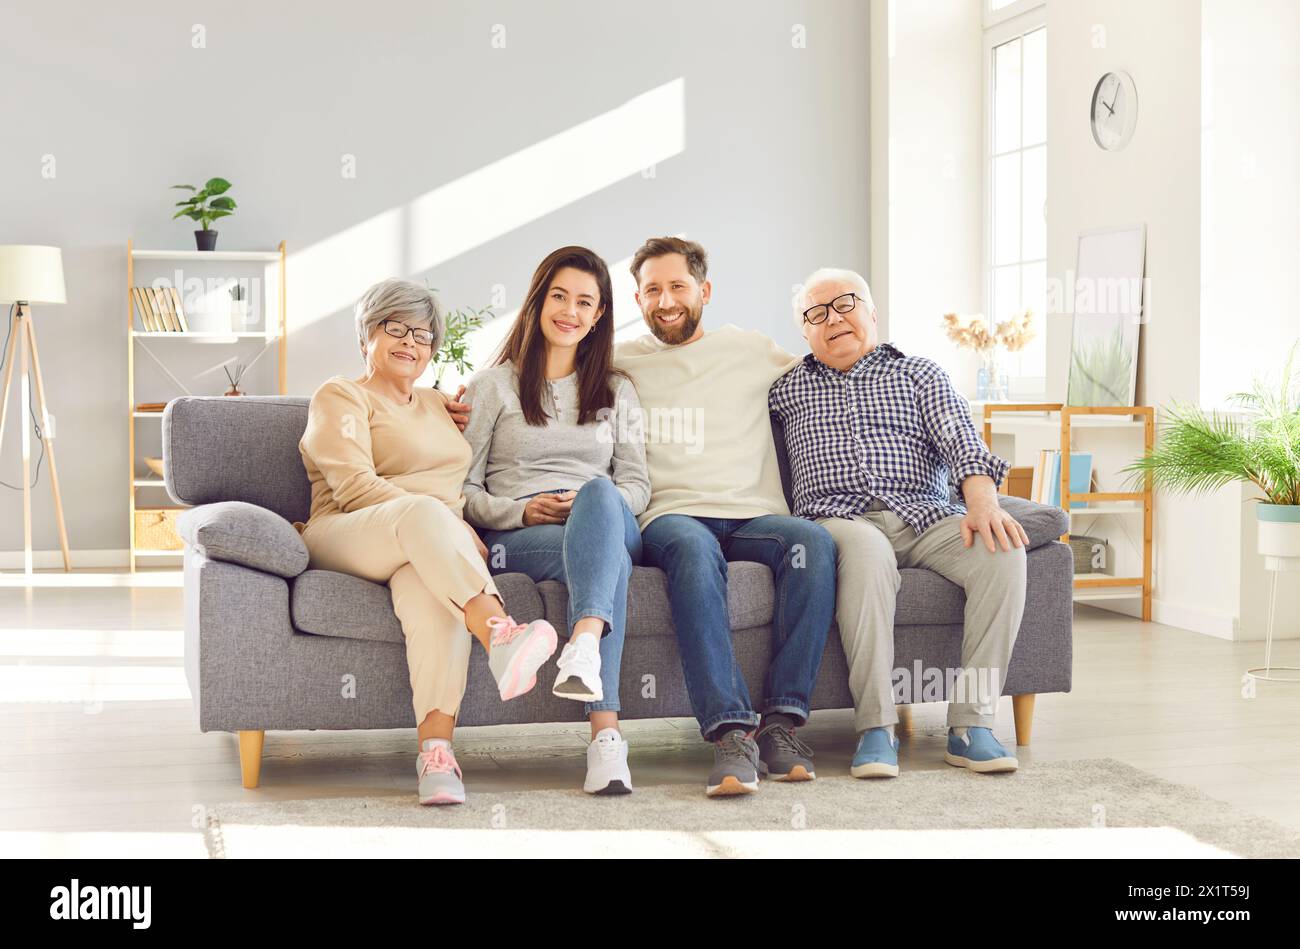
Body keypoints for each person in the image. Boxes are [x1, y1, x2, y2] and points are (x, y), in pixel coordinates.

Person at [296, 278, 559, 807]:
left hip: (424, 549)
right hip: (348, 531)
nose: (410, 342)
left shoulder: (438, 405)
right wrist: (449, 523)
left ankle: (436, 756)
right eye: (395, 327)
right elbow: (353, 486)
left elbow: (458, 476)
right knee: (420, 513)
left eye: (422, 334)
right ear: (366, 334)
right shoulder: (340, 395)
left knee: (434, 602)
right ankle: (501, 636)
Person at [769, 268, 1027, 779]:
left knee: (1003, 551)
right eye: (816, 314)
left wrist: (982, 502)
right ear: (804, 332)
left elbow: (962, 444)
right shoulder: (783, 391)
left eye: (845, 304)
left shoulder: (919, 374)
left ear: (872, 312)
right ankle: (876, 728)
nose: (833, 319)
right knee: (866, 556)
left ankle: (971, 725)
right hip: (839, 518)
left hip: (926, 513)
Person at [613, 237, 837, 798]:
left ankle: (782, 723)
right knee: (693, 553)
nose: (666, 300)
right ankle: (731, 732)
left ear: (704, 291)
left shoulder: (749, 349)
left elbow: (831, 367)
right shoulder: (621, 359)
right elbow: (543, 364)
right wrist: (454, 396)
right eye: (653, 290)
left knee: (812, 543)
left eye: (678, 287)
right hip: (672, 515)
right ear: (638, 298)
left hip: (754, 515)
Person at [462, 246, 649, 795]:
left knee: (600, 499)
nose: (569, 310)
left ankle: (585, 642)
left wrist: (600, 499)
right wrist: (519, 510)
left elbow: (636, 485)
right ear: (538, 301)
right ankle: (605, 739)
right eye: (559, 296)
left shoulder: (618, 390)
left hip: (607, 517)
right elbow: (464, 490)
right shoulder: (493, 386)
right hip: (526, 535)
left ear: (598, 317)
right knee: (607, 564)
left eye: (584, 302)